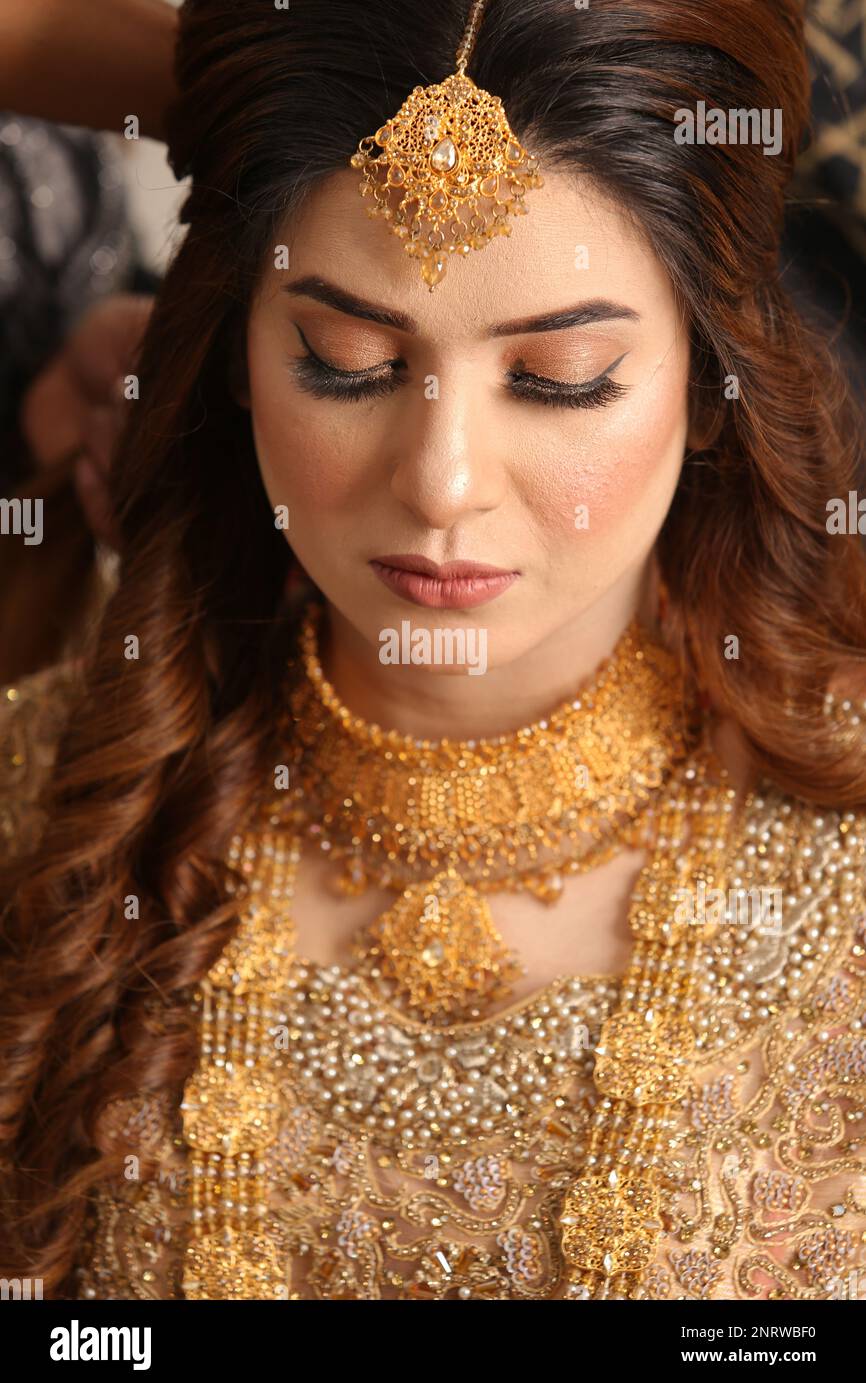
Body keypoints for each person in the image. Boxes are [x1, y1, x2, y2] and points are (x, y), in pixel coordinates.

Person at [2, 0, 866, 1304]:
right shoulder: (39, 804)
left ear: (708, 385)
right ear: (237, 352)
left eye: (561, 376)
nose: (441, 482)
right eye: (343, 361)